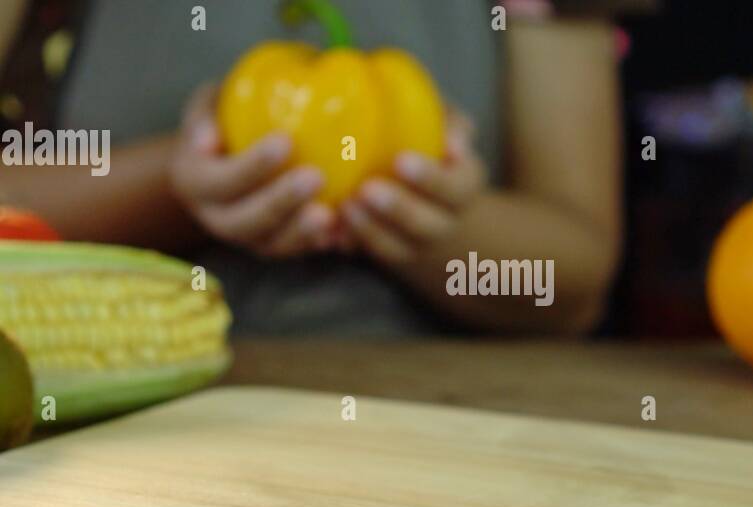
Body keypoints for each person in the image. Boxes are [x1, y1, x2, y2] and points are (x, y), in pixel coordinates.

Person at [0, 0, 621, 336]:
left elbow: (572, 285)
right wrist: (179, 183)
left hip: (441, 412)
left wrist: (423, 216)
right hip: (114, 402)